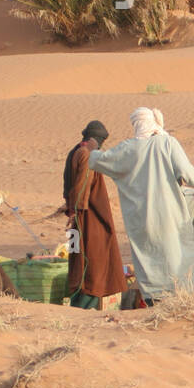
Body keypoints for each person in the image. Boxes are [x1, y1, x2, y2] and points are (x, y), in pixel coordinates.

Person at [89, 108, 194, 301]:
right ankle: (181, 300)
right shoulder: (167, 142)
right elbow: (188, 174)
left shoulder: (127, 149)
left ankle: (153, 301)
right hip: (169, 216)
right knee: (176, 258)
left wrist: (91, 150)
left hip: (141, 220)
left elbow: (99, 160)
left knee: (148, 261)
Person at [59, 120, 128, 308]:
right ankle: (85, 304)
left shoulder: (75, 151)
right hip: (88, 217)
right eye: (100, 141)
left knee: (79, 256)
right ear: (93, 139)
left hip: (79, 215)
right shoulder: (85, 154)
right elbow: (82, 186)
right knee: (93, 259)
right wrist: (75, 212)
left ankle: (82, 301)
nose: (101, 145)